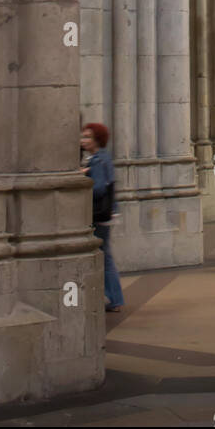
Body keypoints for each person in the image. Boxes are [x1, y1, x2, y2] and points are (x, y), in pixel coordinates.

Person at [80, 123, 124, 312]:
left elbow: (98, 189)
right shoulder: (104, 157)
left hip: (100, 214)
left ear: (97, 139)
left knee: (104, 257)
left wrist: (84, 176)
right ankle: (114, 297)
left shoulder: (97, 160)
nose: (83, 140)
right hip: (109, 213)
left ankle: (113, 298)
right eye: (83, 136)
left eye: (88, 137)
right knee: (106, 255)